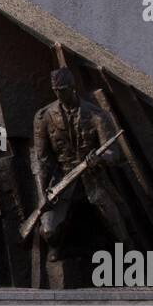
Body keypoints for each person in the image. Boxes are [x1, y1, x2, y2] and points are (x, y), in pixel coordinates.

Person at [30, 67, 129, 260]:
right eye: (56, 90)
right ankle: (58, 245)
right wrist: (43, 194)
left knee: (116, 221)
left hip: (92, 178)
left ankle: (127, 253)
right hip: (62, 180)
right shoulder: (43, 117)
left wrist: (99, 159)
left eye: (63, 89)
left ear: (73, 87)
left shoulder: (96, 115)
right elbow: (41, 160)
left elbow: (114, 153)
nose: (59, 94)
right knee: (48, 231)